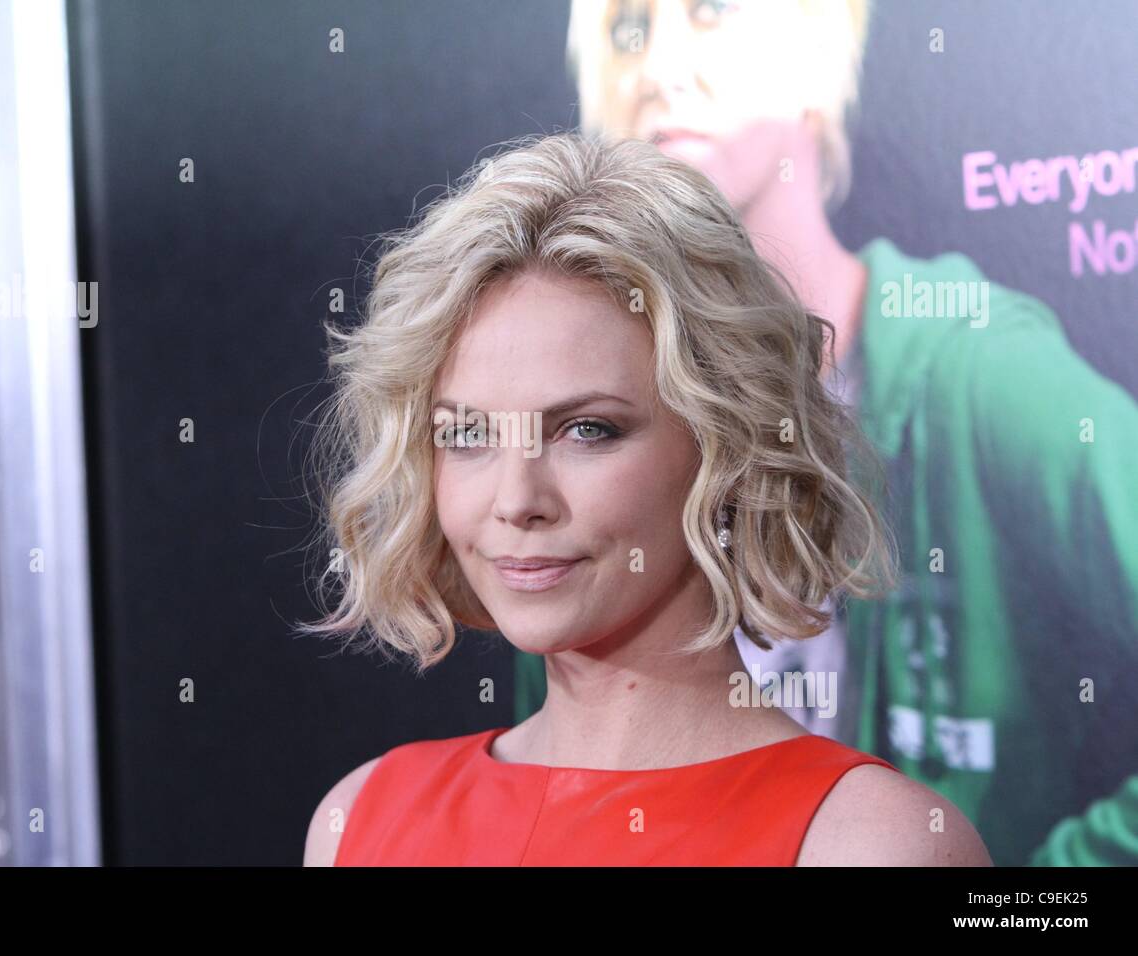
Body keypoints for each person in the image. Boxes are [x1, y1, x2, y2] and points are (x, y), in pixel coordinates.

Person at [512, 0, 1138, 866]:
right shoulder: (577, 427)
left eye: (710, 12)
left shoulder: (979, 375)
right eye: (627, 29)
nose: (658, 66)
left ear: (818, 49)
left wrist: (1024, 905)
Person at [298, 132, 991, 866]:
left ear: (727, 446)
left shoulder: (868, 845)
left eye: (586, 429)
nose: (517, 499)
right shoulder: (360, 822)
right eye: (467, 433)